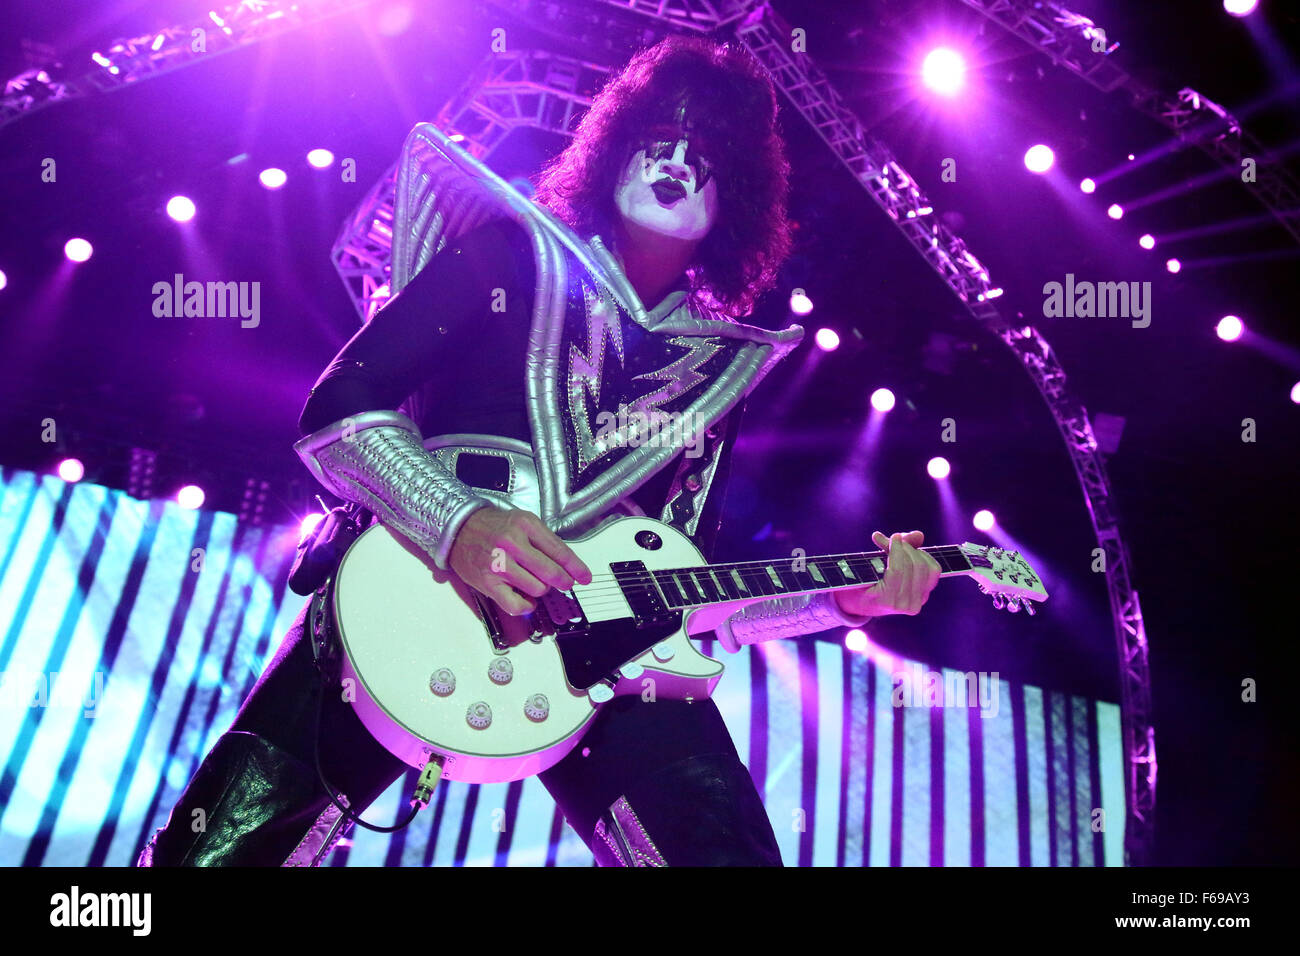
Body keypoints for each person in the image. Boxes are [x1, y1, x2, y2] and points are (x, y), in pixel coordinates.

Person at [137, 35, 940, 868]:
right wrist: (459, 522)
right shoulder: (507, 256)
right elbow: (339, 407)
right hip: (405, 599)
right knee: (199, 865)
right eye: (654, 138)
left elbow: (697, 588)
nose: (673, 162)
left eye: (706, 155)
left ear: (736, 193)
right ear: (611, 148)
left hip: (608, 655)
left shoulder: (721, 365)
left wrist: (844, 603)